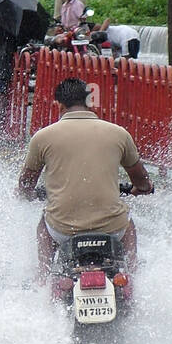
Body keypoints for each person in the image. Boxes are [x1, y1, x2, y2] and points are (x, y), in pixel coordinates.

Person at [17, 77, 154, 279]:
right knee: (129, 224)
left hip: (63, 228)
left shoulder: (42, 137)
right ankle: (133, 278)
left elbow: (26, 184)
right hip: (112, 227)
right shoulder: (118, 134)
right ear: (87, 102)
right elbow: (141, 180)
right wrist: (142, 188)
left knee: (43, 227)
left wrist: (27, 194)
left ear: (60, 105)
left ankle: (42, 281)